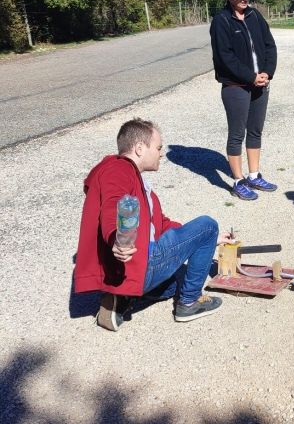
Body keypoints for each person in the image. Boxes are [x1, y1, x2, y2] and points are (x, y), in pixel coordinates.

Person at [74, 118, 233, 331]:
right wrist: (116, 239)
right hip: (137, 261)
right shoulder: (118, 170)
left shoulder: (137, 182)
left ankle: (122, 298)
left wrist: (211, 240)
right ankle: (189, 303)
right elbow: (113, 206)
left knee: (182, 276)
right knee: (208, 225)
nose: (160, 153)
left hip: (128, 268)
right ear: (140, 148)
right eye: (158, 148)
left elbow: (162, 225)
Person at [210, 0, 278, 200]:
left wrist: (267, 72)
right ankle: (238, 180)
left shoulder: (254, 15)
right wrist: (251, 76)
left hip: (261, 83)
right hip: (236, 87)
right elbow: (225, 58)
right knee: (237, 134)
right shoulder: (221, 21)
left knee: (256, 131)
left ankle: (254, 175)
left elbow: (269, 45)